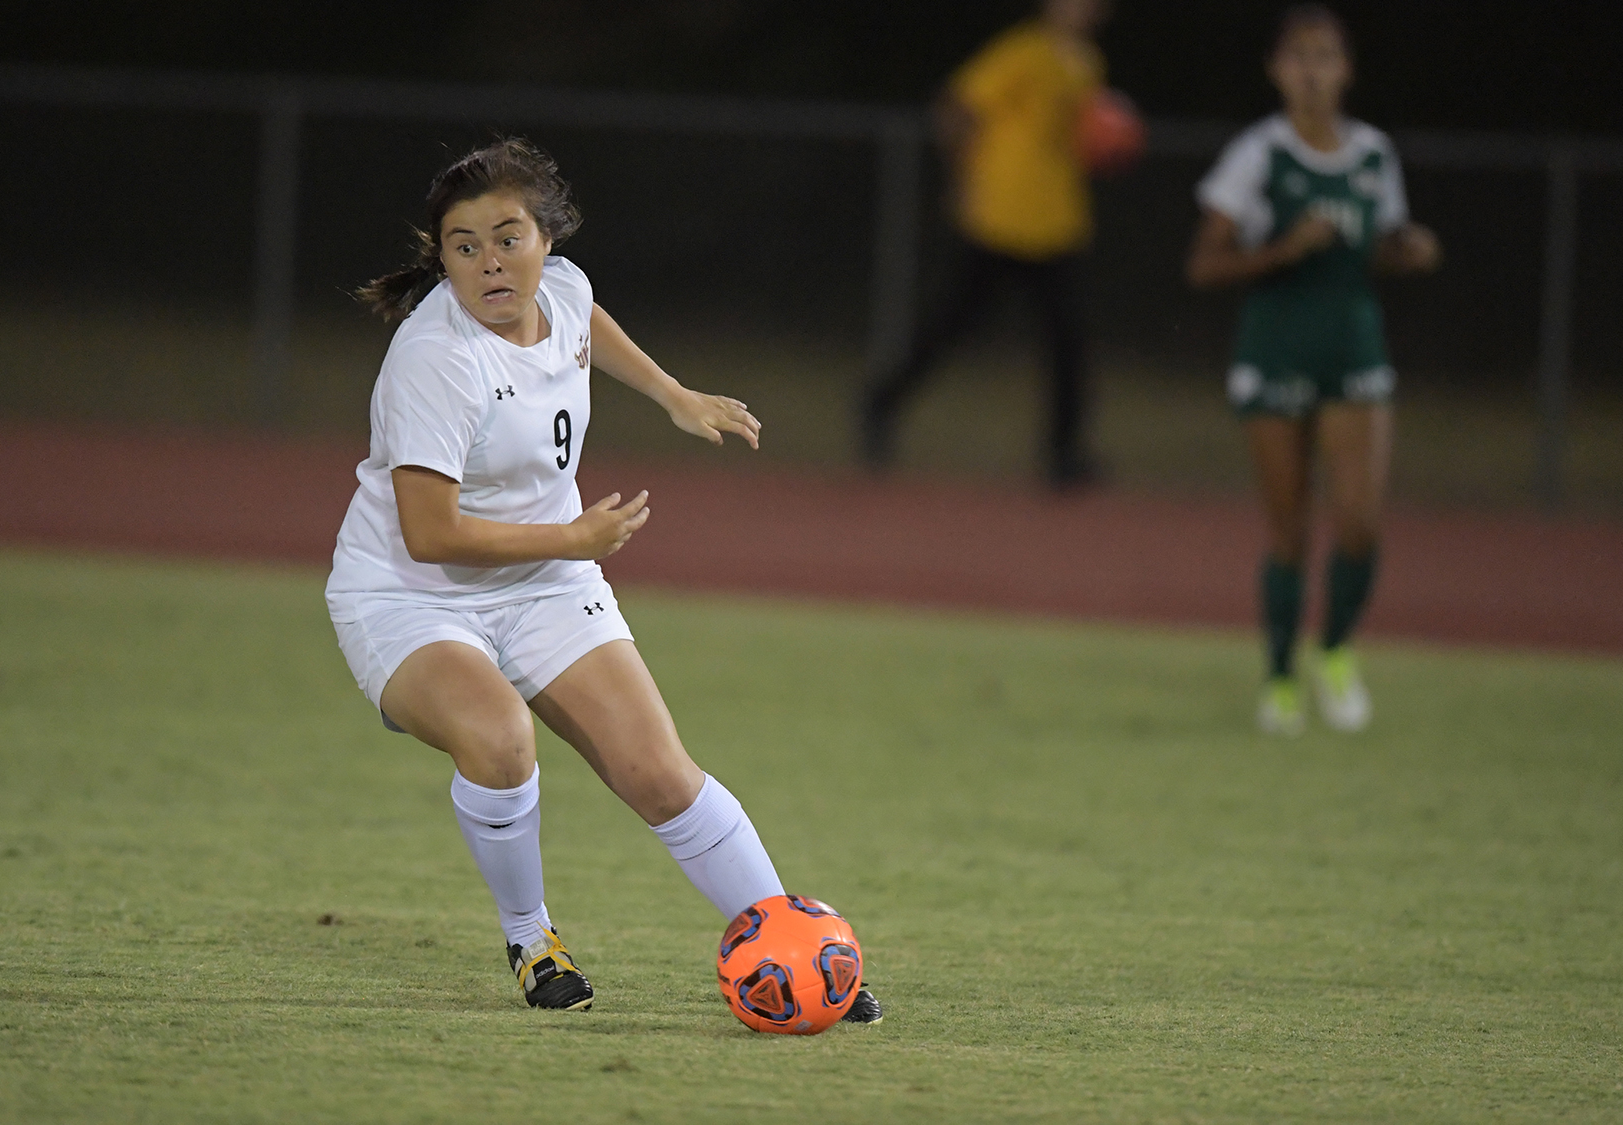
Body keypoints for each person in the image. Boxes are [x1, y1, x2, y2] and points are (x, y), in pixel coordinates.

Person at [327, 139, 879, 1021]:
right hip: (410, 593)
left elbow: (588, 323)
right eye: (463, 246)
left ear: (548, 237)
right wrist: (572, 534)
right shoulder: (435, 358)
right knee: (501, 739)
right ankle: (530, 934)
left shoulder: (565, 289)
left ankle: (792, 944)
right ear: (444, 259)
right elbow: (430, 536)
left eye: (508, 237)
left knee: (659, 772)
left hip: (545, 573)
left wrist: (672, 394)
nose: (489, 263)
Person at [1185, 5, 1440, 734]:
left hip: (1352, 345)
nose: (1311, 71)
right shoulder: (1258, 155)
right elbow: (1203, 264)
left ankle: (1334, 649)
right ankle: (1278, 676)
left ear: (1346, 70)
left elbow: (1382, 242)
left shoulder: (1372, 155)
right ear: (1275, 70)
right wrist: (1281, 251)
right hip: (1275, 345)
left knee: (1359, 523)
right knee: (1289, 528)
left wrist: (1411, 248)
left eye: (1325, 57)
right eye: (1297, 57)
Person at [861, 0, 1111, 488]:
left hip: (1056, 221)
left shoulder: (1088, 64)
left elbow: (1077, 137)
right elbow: (955, 107)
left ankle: (1063, 454)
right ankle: (879, 404)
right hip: (1000, 215)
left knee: (1068, 339)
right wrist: (961, 181)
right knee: (950, 323)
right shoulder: (1023, 51)